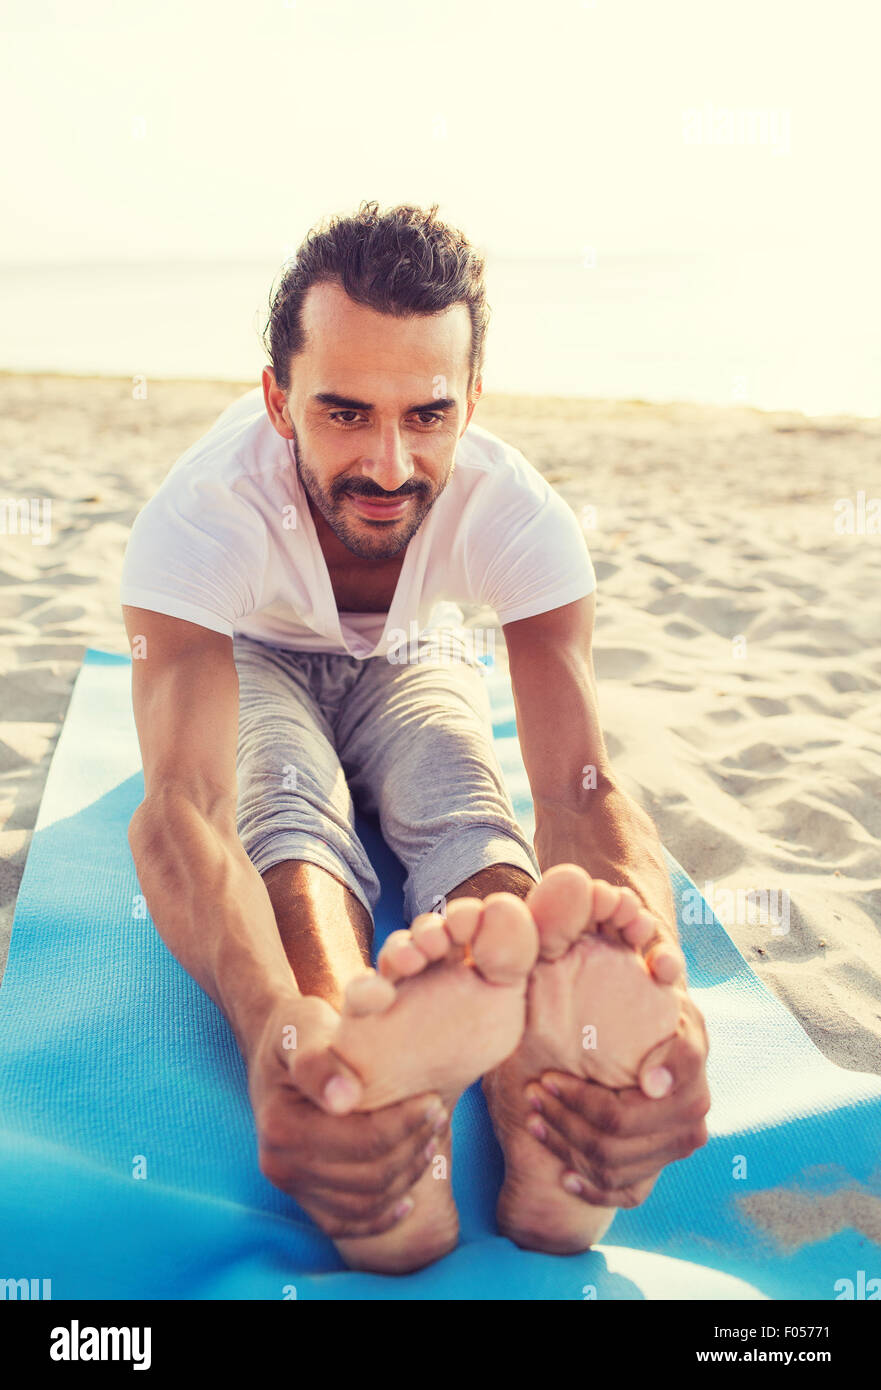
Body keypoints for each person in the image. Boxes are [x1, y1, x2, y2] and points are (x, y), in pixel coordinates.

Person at [120, 200, 709, 1274]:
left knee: (459, 790)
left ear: (471, 403)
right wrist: (272, 1032)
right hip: (258, 653)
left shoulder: (517, 515)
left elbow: (577, 786)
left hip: (416, 653)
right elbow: (182, 809)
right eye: (344, 413)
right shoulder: (204, 514)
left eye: (427, 416)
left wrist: (663, 996)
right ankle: (347, 1057)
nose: (389, 465)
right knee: (282, 798)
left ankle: (541, 1078)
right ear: (278, 400)